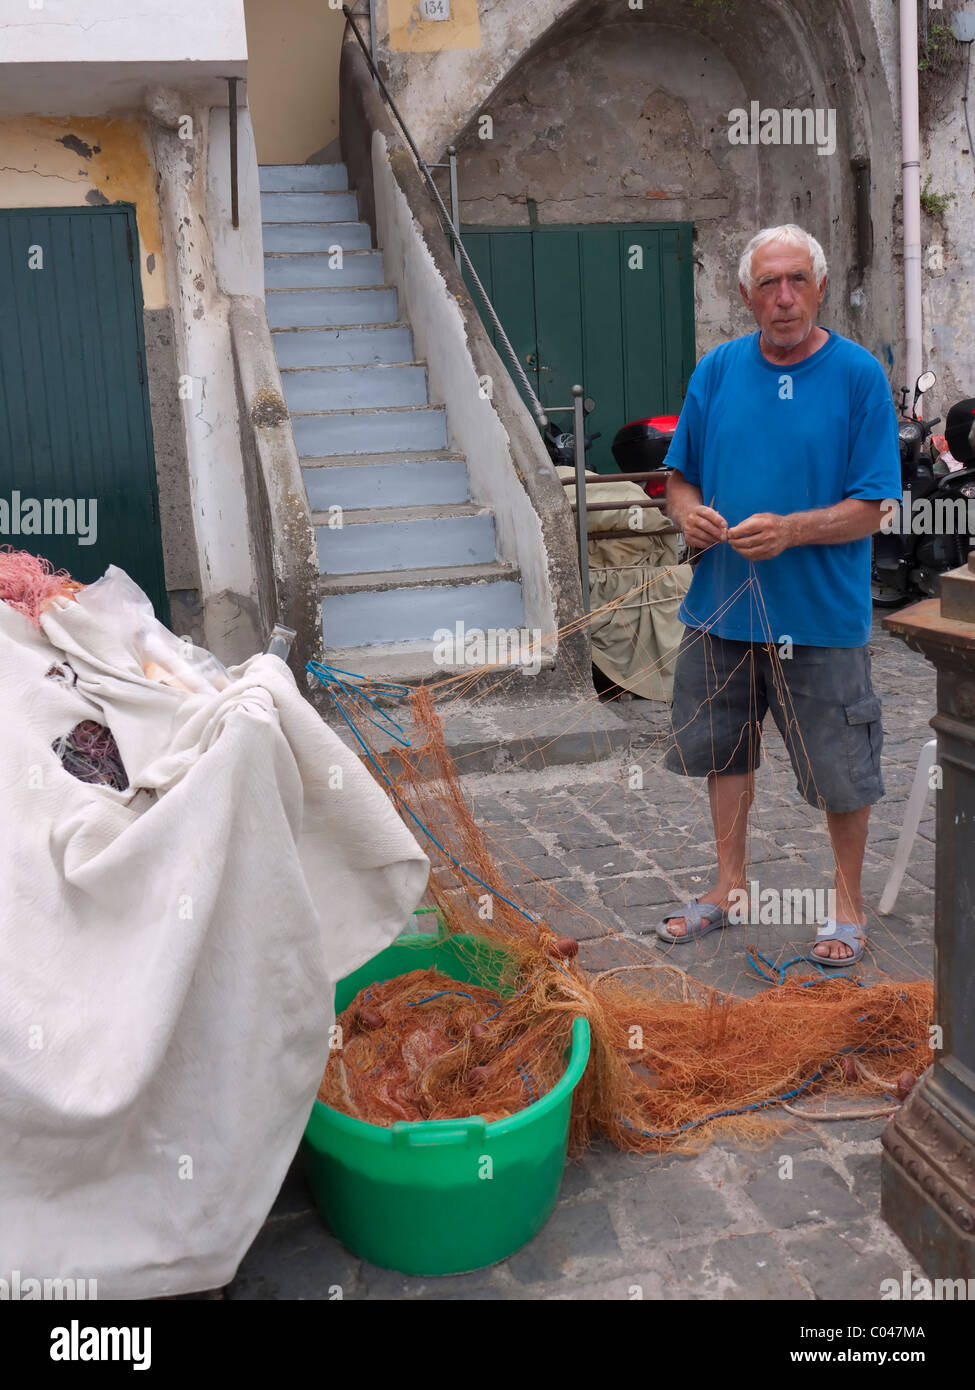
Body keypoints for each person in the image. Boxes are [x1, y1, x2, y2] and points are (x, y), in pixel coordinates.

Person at [658, 224, 901, 965]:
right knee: (723, 754)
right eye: (768, 284)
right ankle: (728, 887)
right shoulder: (717, 370)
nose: (784, 298)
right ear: (746, 295)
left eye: (797, 280)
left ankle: (847, 910)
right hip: (720, 608)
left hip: (820, 620)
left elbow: (872, 505)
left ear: (819, 288)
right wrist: (686, 513)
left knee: (838, 769)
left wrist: (792, 530)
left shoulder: (858, 377)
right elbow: (678, 478)